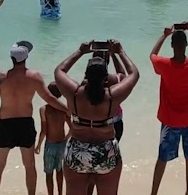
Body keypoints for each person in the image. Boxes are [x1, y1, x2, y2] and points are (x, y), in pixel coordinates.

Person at [54, 41, 141, 195]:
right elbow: (134, 74)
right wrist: (119, 51)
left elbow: (59, 70)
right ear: (106, 77)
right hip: (106, 151)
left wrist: (80, 51)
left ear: (86, 75)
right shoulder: (112, 97)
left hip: (77, 151)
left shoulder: (74, 94)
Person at [0, 43, 68, 195]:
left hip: (5, 124)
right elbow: (50, 98)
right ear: (26, 58)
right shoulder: (34, 77)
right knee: (29, 165)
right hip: (25, 123)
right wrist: (67, 110)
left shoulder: (1, 77)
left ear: (11, 58)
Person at [150, 24, 188, 195]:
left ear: (172, 46)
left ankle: (153, 193)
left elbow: (152, 55)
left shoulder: (164, 65)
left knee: (162, 158)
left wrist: (164, 35)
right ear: (186, 45)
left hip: (170, 121)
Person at [36, 83, 70, 195]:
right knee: (60, 172)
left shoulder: (43, 109)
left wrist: (38, 145)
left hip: (50, 145)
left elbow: (44, 131)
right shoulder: (63, 109)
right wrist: (66, 138)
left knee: (49, 174)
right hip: (62, 144)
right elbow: (73, 128)